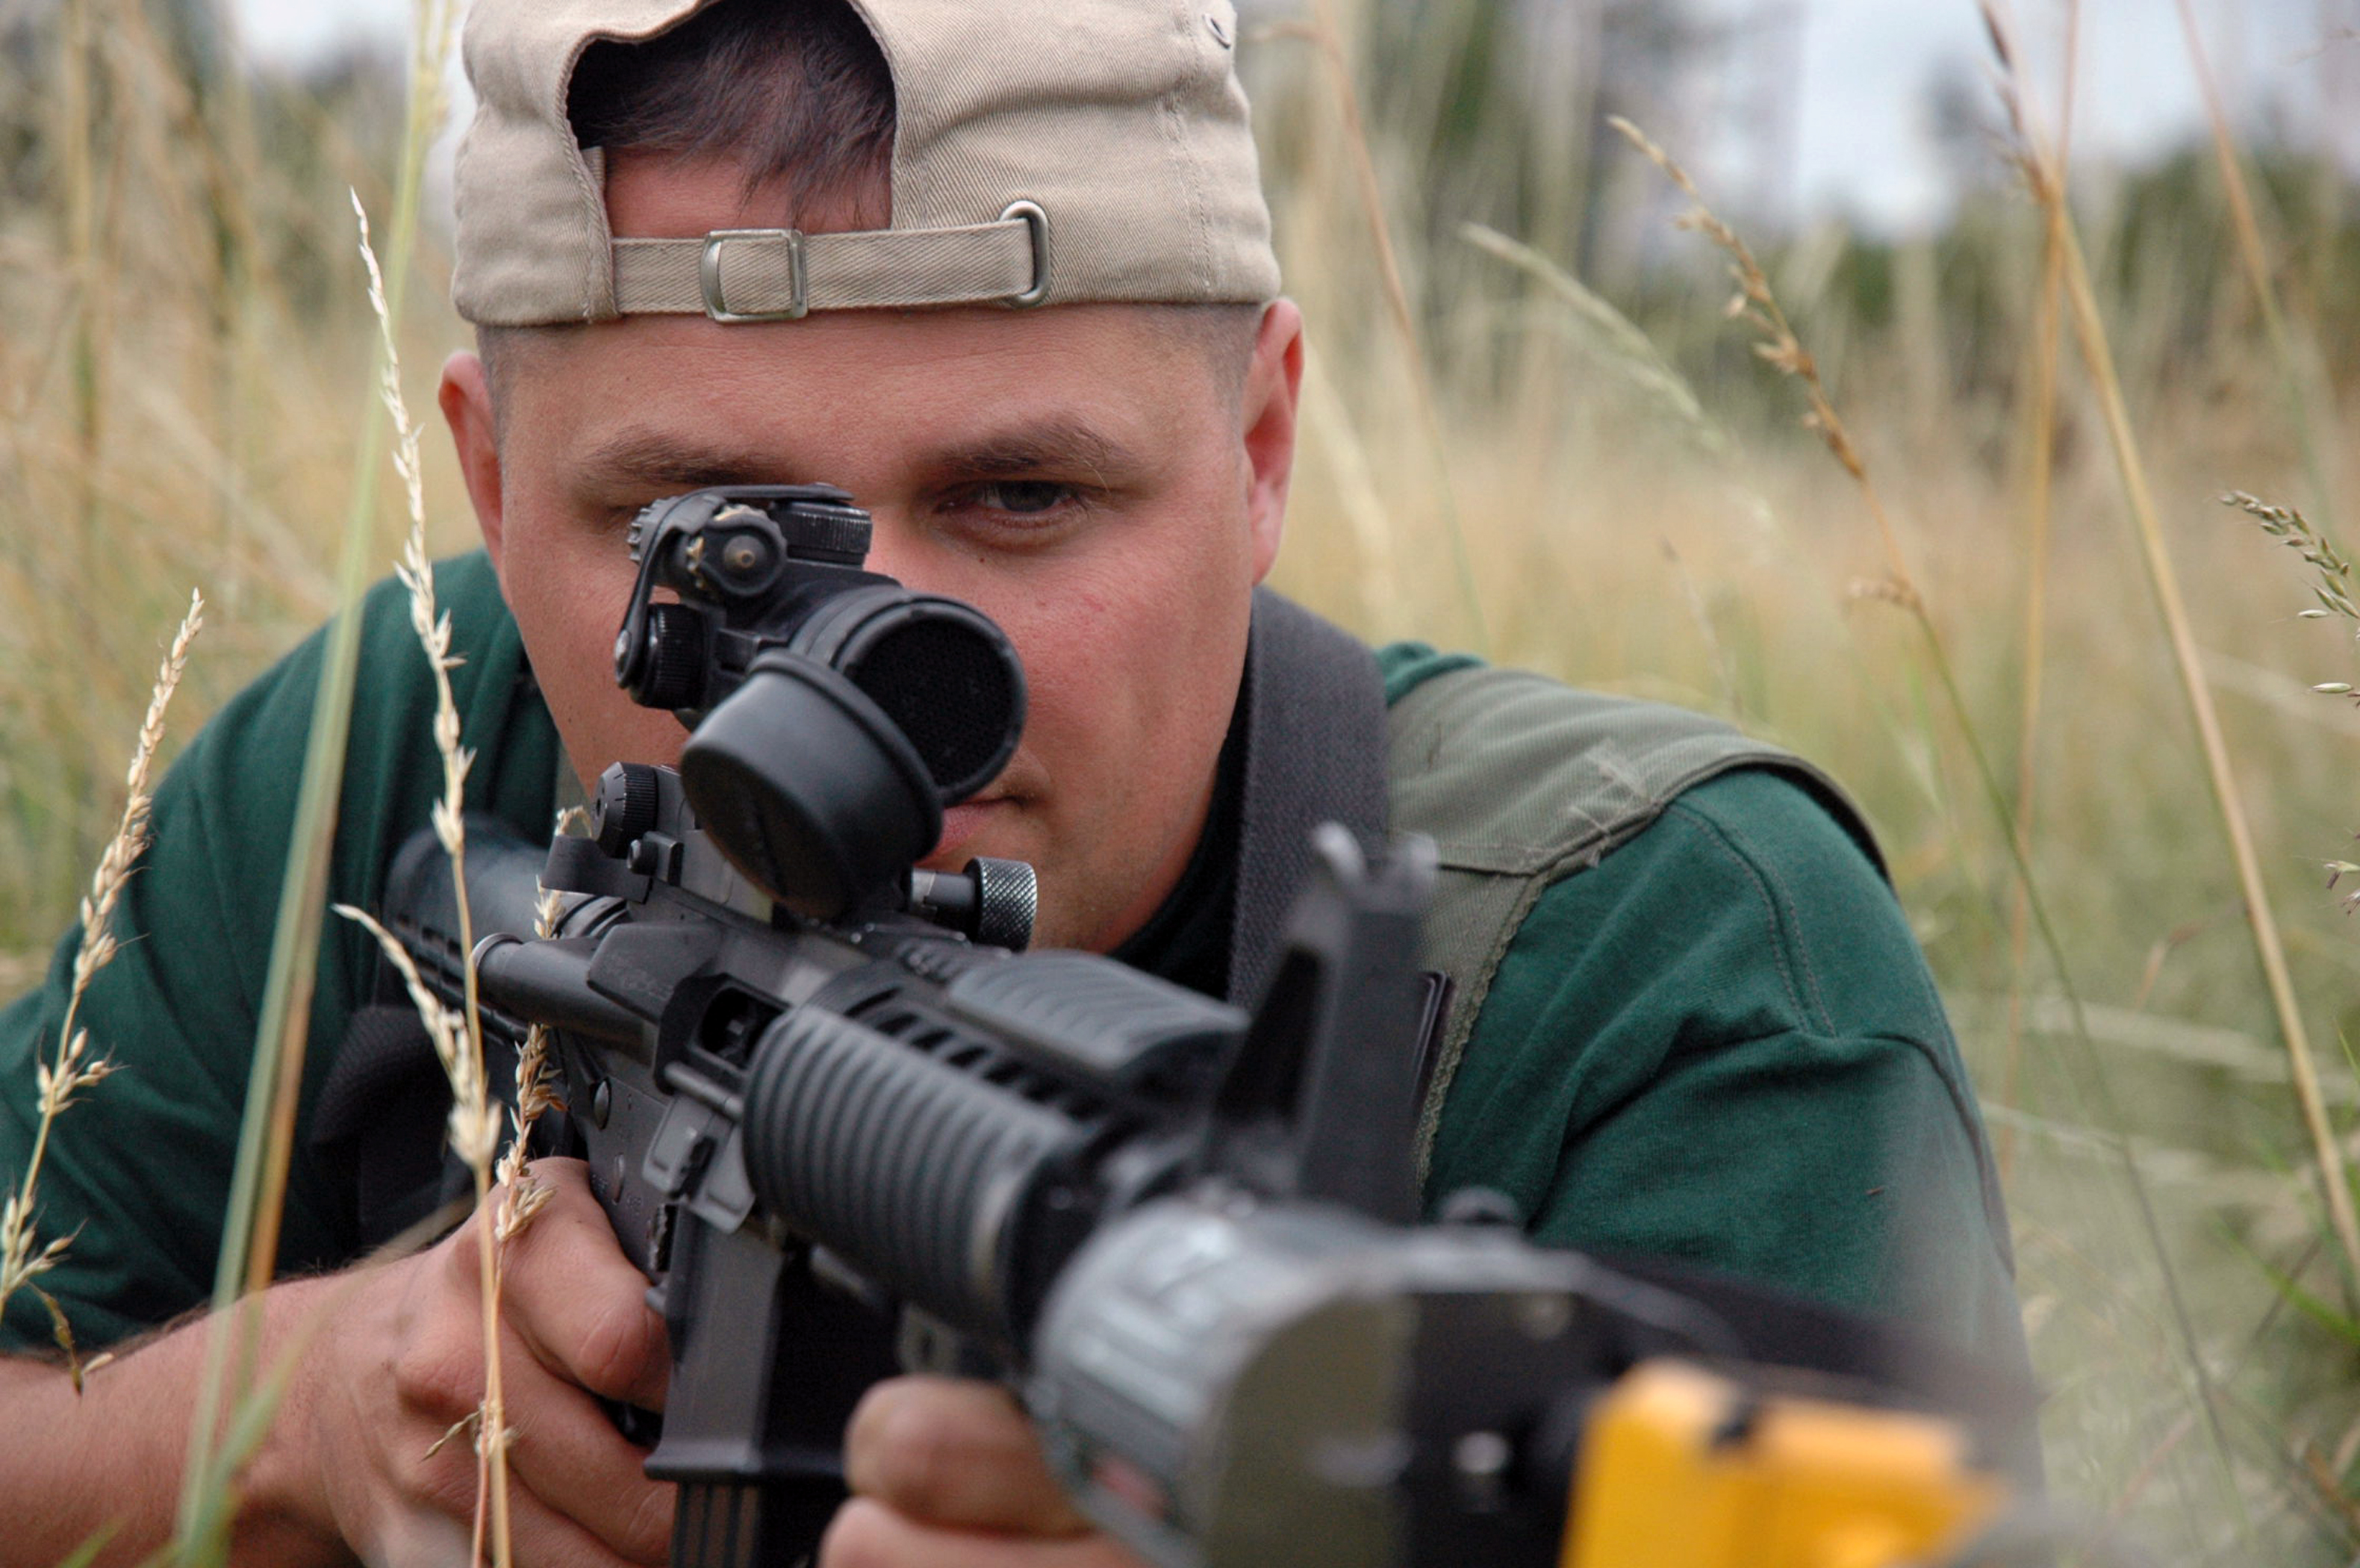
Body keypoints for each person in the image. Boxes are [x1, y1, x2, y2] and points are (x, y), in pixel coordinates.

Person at [0, 1, 2032, 1564]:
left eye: (1019, 496)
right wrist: (290, 1411)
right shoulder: (411, 730)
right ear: (494, 483)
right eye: (706, 542)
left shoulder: (1642, 957)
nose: (855, 674)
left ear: (1256, 446)